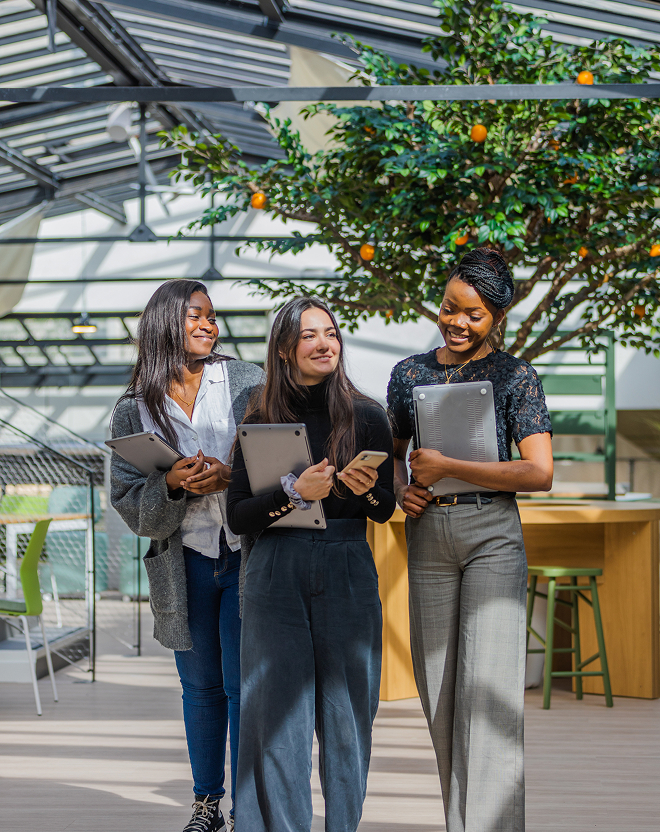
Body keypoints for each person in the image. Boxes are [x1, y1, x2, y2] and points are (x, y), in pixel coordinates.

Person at [387, 248, 553, 832]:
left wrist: (449, 465)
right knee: (440, 698)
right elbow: (393, 460)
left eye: (474, 315)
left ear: (497, 319)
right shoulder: (408, 374)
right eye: (450, 308)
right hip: (429, 533)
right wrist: (404, 488)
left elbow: (539, 473)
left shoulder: (515, 376)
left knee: (488, 698)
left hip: (492, 537)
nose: (457, 322)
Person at [226, 296, 396, 832]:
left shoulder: (368, 415)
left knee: (349, 724)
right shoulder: (260, 416)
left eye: (332, 333)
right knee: (275, 723)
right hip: (276, 569)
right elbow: (238, 516)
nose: (325, 344)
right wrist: (295, 493)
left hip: (349, 564)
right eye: (309, 335)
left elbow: (386, 508)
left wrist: (366, 492)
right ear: (284, 349)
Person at [109, 279, 264, 832]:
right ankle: (206, 804)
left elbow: (283, 462)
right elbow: (130, 505)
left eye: (211, 316)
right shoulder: (132, 410)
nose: (207, 325)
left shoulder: (249, 381)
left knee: (244, 686)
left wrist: (231, 476)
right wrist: (173, 485)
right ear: (164, 324)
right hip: (186, 564)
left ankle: (250, 804)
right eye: (194, 315)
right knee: (200, 688)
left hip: (248, 555)